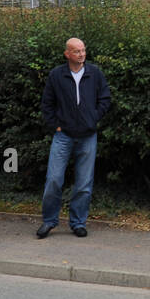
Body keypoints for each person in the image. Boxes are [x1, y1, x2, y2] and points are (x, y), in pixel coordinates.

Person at [37, 37, 111, 239]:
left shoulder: (94, 73)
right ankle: (49, 221)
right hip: (63, 136)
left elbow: (105, 98)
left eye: (83, 50)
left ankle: (78, 222)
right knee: (53, 179)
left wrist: (93, 118)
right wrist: (56, 125)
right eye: (77, 51)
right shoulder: (56, 75)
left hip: (88, 135)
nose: (82, 54)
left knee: (84, 183)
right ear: (67, 54)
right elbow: (47, 104)